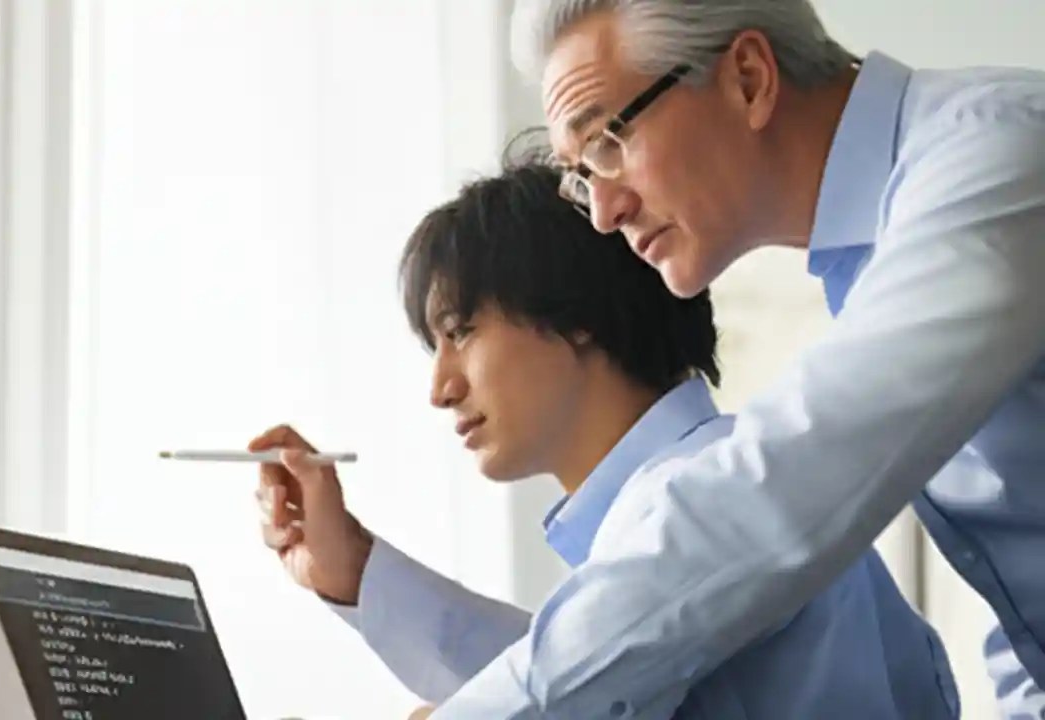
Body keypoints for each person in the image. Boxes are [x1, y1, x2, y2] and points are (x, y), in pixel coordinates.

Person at [395, 0, 1045, 717]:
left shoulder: (995, 164)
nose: (603, 212)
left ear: (747, 78)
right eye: (582, 174)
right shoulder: (871, 253)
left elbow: (777, 498)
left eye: (609, 139)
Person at [250, 159, 958, 718]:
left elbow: (556, 688)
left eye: (460, 333)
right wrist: (355, 571)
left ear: (575, 313)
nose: (440, 388)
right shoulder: (698, 483)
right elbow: (573, 668)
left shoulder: (702, 492)